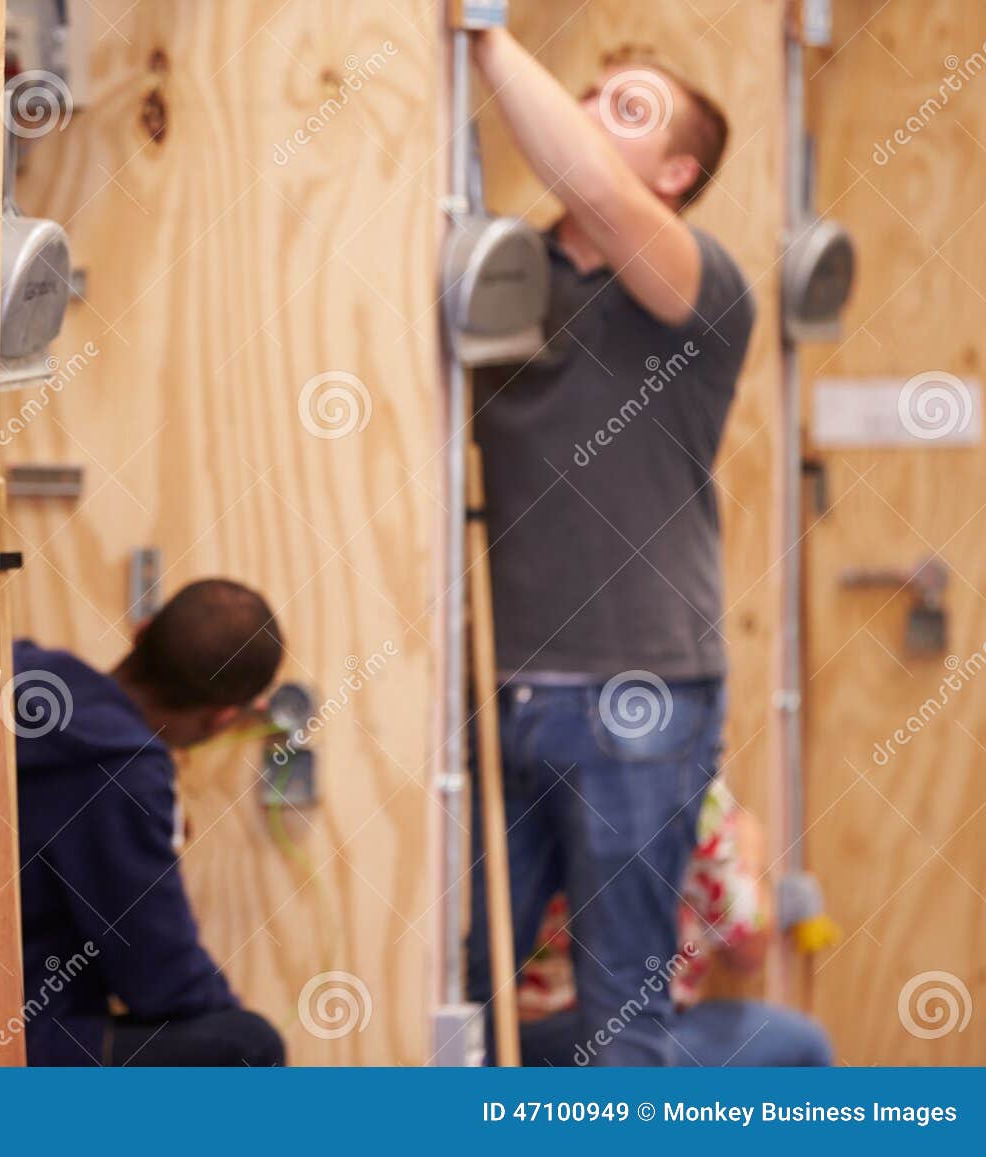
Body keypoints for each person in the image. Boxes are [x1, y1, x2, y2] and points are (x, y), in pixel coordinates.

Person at [461, 29, 757, 1065]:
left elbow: (584, 178)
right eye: (588, 94)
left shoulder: (695, 287)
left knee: (620, 1009)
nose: (589, 113)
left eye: (627, 110)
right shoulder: (505, 280)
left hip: (641, 691)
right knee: (459, 990)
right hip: (504, 684)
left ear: (675, 177)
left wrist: (484, 34)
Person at [13, 579, 286, 1066]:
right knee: (248, 1046)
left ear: (140, 632)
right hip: (22, 1031)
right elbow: (159, 978)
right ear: (221, 719)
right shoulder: (125, 769)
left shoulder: (26, 669)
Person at [518, 780, 835, 1067]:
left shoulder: (529, 757)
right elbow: (747, 951)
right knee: (805, 1050)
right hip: (611, 1039)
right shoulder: (685, 782)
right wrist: (751, 853)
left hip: (517, 1035)